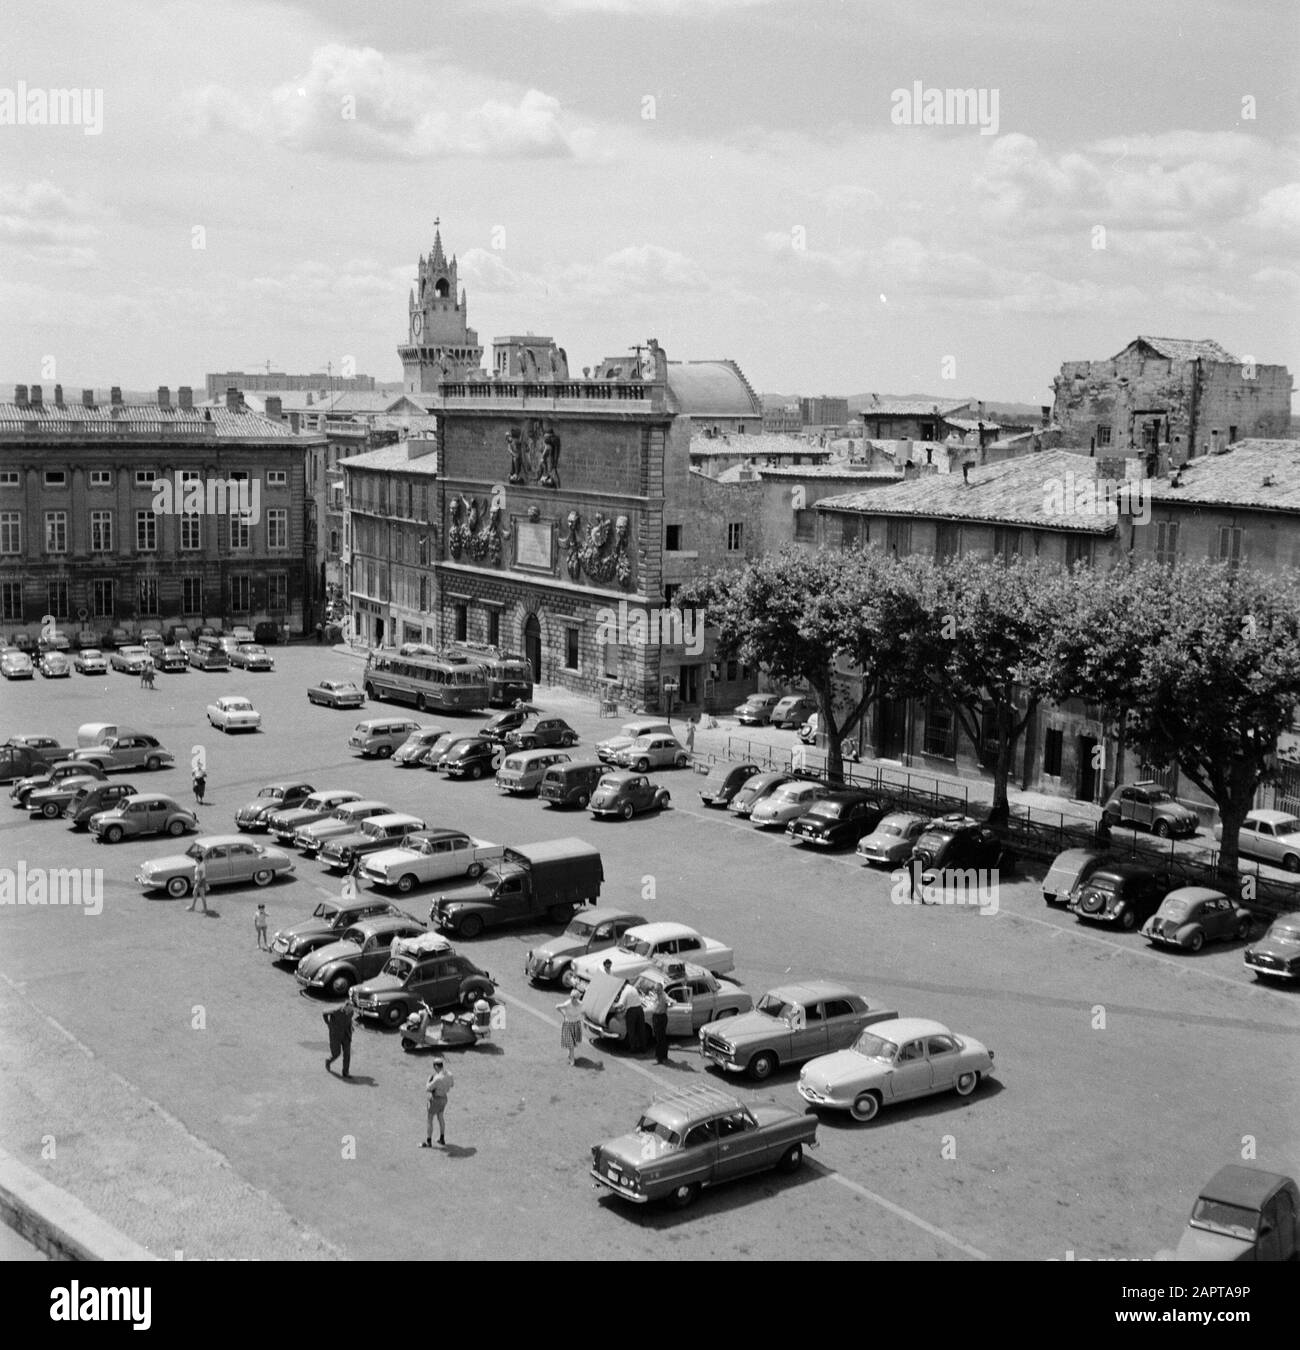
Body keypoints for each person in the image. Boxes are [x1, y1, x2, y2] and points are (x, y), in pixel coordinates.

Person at [422, 1059, 453, 1147]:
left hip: (435, 1099)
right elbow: (452, 1085)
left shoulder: (437, 1078)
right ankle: (442, 1138)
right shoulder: (449, 1074)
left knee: (430, 1119)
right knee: (441, 1117)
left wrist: (428, 1080)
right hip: (444, 1098)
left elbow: (428, 1088)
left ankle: (428, 1141)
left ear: (436, 1066)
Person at [614, 978, 647, 1052]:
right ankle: (643, 1048)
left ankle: (633, 1048)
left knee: (631, 1030)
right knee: (641, 1029)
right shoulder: (633, 988)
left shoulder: (625, 991)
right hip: (639, 1009)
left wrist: (613, 1006)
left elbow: (621, 1004)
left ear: (623, 984)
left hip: (632, 1012)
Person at [323, 1004, 353, 1078]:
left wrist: (351, 1027)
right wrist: (328, 1023)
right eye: (348, 1010)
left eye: (350, 1010)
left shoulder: (351, 1012)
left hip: (346, 1034)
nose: (349, 1012)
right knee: (336, 1053)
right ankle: (328, 1061)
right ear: (344, 1008)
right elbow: (324, 1012)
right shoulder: (337, 1010)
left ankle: (345, 1072)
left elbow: (349, 1020)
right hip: (335, 1035)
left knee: (347, 1054)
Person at [556, 988, 584, 1066]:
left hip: (576, 1025)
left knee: (572, 1043)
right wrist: (563, 1014)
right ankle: (572, 1059)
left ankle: (570, 1054)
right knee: (571, 1044)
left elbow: (583, 1012)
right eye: (571, 997)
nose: (572, 998)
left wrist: (581, 1018)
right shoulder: (567, 1003)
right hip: (568, 1025)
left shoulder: (581, 1004)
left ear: (577, 998)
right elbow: (557, 1006)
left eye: (574, 997)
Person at [647, 979, 670, 1065]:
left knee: (660, 1038)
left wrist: (669, 1004)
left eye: (657, 990)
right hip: (656, 1017)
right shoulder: (656, 995)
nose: (656, 991)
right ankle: (664, 1056)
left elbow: (670, 1001)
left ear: (661, 989)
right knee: (660, 1037)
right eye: (655, 990)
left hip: (661, 1017)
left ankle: (659, 1058)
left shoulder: (664, 996)